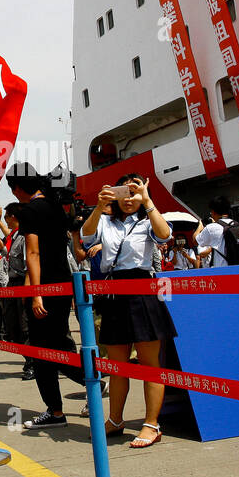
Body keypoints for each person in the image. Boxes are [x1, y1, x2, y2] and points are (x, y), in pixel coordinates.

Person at [80, 174, 175, 449]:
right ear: (116, 195)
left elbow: (165, 234)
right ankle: (115, 420)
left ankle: (151, 424)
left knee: (150, 365)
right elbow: (86, 237)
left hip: (144, 291)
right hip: (114, 293)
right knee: (117, 367)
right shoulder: (105, 222)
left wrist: (148, 201)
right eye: (126, 192)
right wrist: (98, 207)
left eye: (135, 192)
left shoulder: (147, 221)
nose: (130, 198)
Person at [6, 163, 83, 431]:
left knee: (42, 352)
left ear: (17, 188)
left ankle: (56, 410)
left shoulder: (29, 211)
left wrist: (36, 293)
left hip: (44, 287)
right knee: (59, 344)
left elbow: (34, 254)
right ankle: (92, 380)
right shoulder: (55, 206)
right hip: (63, 285)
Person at [0, 204, 35, 380]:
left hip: (23, 284)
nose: (5, 221)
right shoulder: (14, 236)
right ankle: (30, 358)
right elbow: (12, 255)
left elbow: (28, 266)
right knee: (12, 327)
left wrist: (27, 291)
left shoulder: (26, 236)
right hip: (12, 284)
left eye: (6, 218)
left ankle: (32, 364)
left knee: (25, 326)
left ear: (14, 217)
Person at [197, 195, 239, 267]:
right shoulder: (236, 225)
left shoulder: (211, 227)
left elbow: (195, 241)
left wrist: (200, 225)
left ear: (213, 211)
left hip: (222, 270)